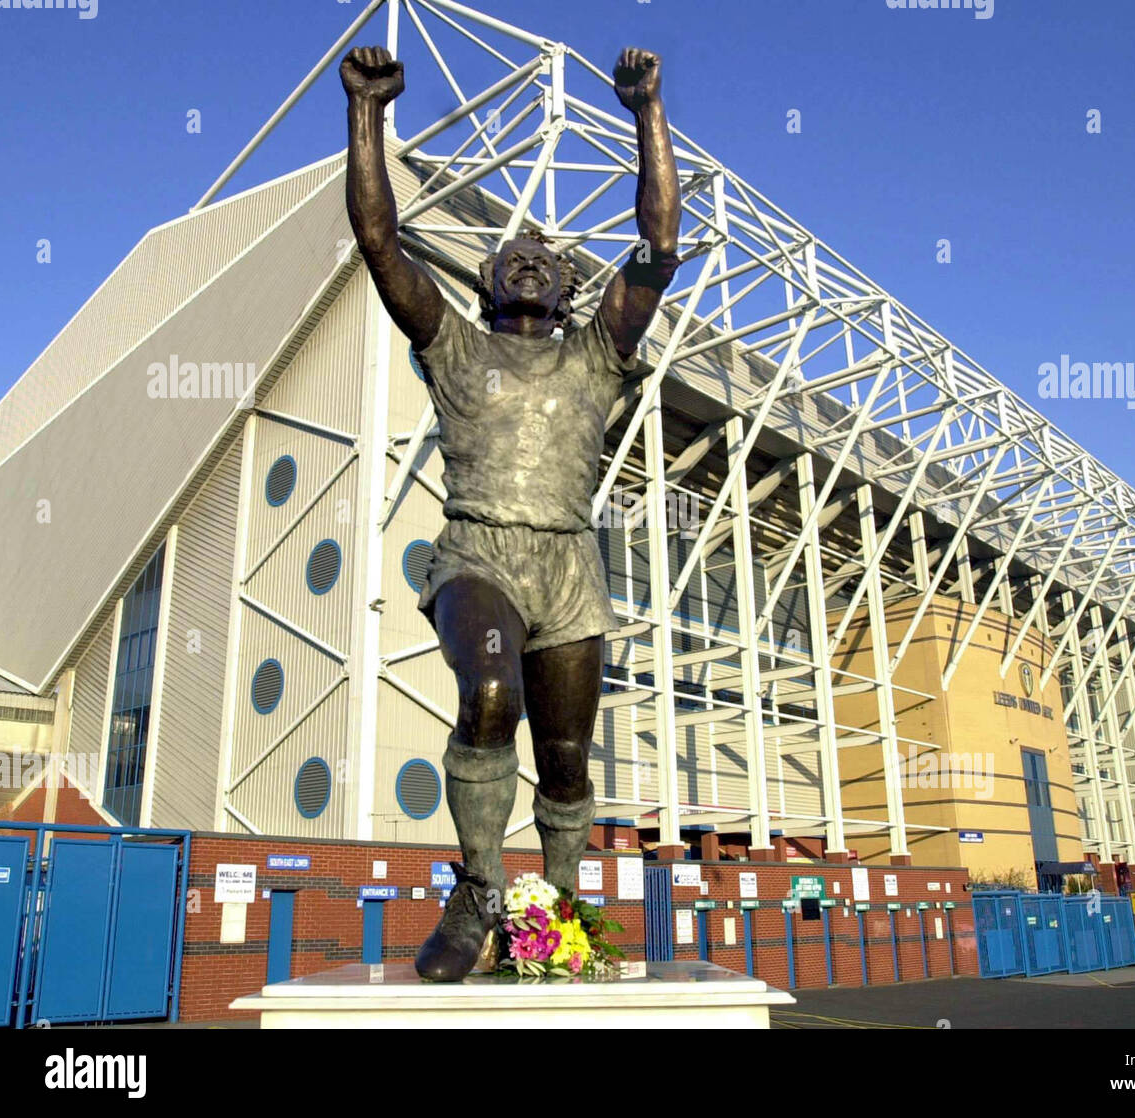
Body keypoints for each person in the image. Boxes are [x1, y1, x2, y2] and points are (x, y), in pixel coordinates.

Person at [342, 43, 682, 980]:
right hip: (479, 554)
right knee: (491, 695)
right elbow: (379, 239)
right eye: (511, 256)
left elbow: (659, 251)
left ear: (570, 288)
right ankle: (481, 889)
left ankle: (562, 914)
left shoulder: (595, 355)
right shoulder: (451, 345)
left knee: (568, 757)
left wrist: (646, 108)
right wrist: (366, 116)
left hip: (570, 569)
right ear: (486, 282)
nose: (529, 262)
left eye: (547, 258)